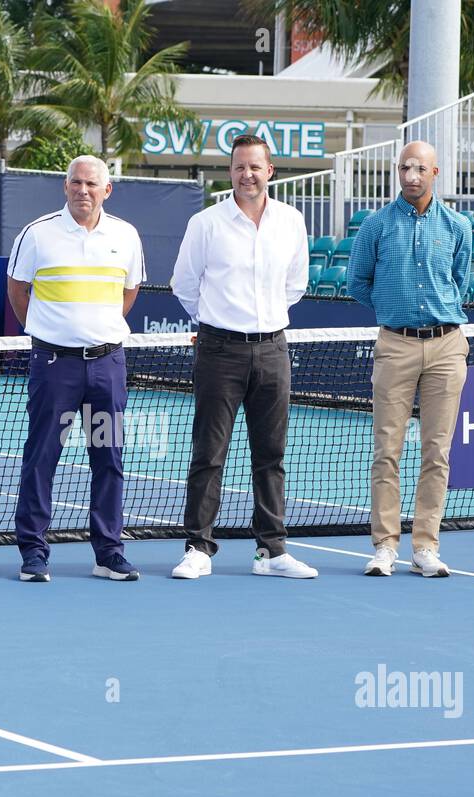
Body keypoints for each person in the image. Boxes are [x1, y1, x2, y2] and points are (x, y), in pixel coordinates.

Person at [169, 134, 318, 580]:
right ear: (230, 172)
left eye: (255, 167)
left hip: (273, 349)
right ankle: (198, 547)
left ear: (269, 171)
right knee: (209, 453)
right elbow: (184, 284)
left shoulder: (292, 221)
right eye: (239, 167)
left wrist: (263, 321)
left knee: (270, 454)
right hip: (219, 351)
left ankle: (271, 552)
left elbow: (295, 284)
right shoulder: (206, 224)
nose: (247, 174)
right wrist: (218, 322)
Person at [7, 155, 145, 582]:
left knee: (108, 458)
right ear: (65, 187)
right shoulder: (37, 234)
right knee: (43, 456)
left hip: (108, 367)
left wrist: (98, 333)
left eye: (91, 184)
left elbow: (129, 290)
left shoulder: (126, 235)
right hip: (54, 367)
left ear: (107, 190)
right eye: (75, 183)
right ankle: (34, 552)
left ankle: (108, 553)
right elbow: (18, 290)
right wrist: (54, 333)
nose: (82, 191)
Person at [348, 140, 472, 578]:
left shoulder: (458, 226)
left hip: (447, 346)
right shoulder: (375, 226)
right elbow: (357, 283)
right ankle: (385, 545)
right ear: (397, 171)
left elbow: (460, 282)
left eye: (420, 168)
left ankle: (426, 546)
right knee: (387, 449)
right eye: (405, 167)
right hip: (394, 344)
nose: (412, 175)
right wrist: (392, 310)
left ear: (436, 173)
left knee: (437, 451)